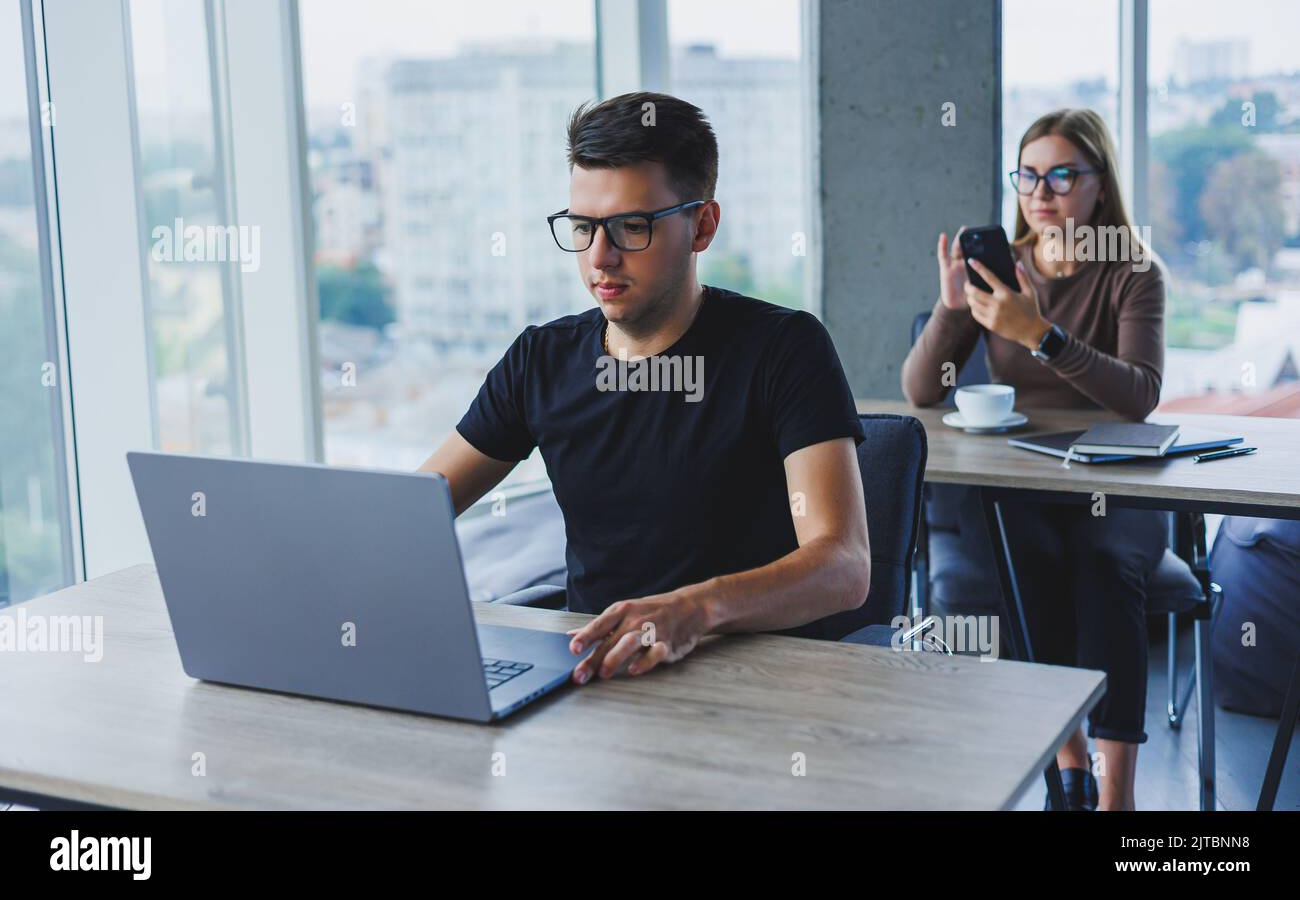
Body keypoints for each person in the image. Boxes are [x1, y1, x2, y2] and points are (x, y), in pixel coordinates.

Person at [421, 91, 870, 687]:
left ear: (702, 226)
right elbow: (415, 510)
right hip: (592, 679)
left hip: (756, 683)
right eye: (583, 227)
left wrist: (696, 609)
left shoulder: (784, 349)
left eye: (632, 227)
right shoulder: (541, 359)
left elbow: (843, 565)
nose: (599, 258)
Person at [902, 108, 1167, 811]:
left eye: (1059, 175)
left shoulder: (1133, 273)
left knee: (1107, 565)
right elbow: (924, 392)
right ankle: (1068, 758)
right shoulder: (1002, 268)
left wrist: (1041, 336)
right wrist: (953, 309)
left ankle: (1117, 796)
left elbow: (1138, 396)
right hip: (1018, 481)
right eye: (1026, 174)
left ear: (1099, 186)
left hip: (1115, 484)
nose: (1039, 191)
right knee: (1019, 556)